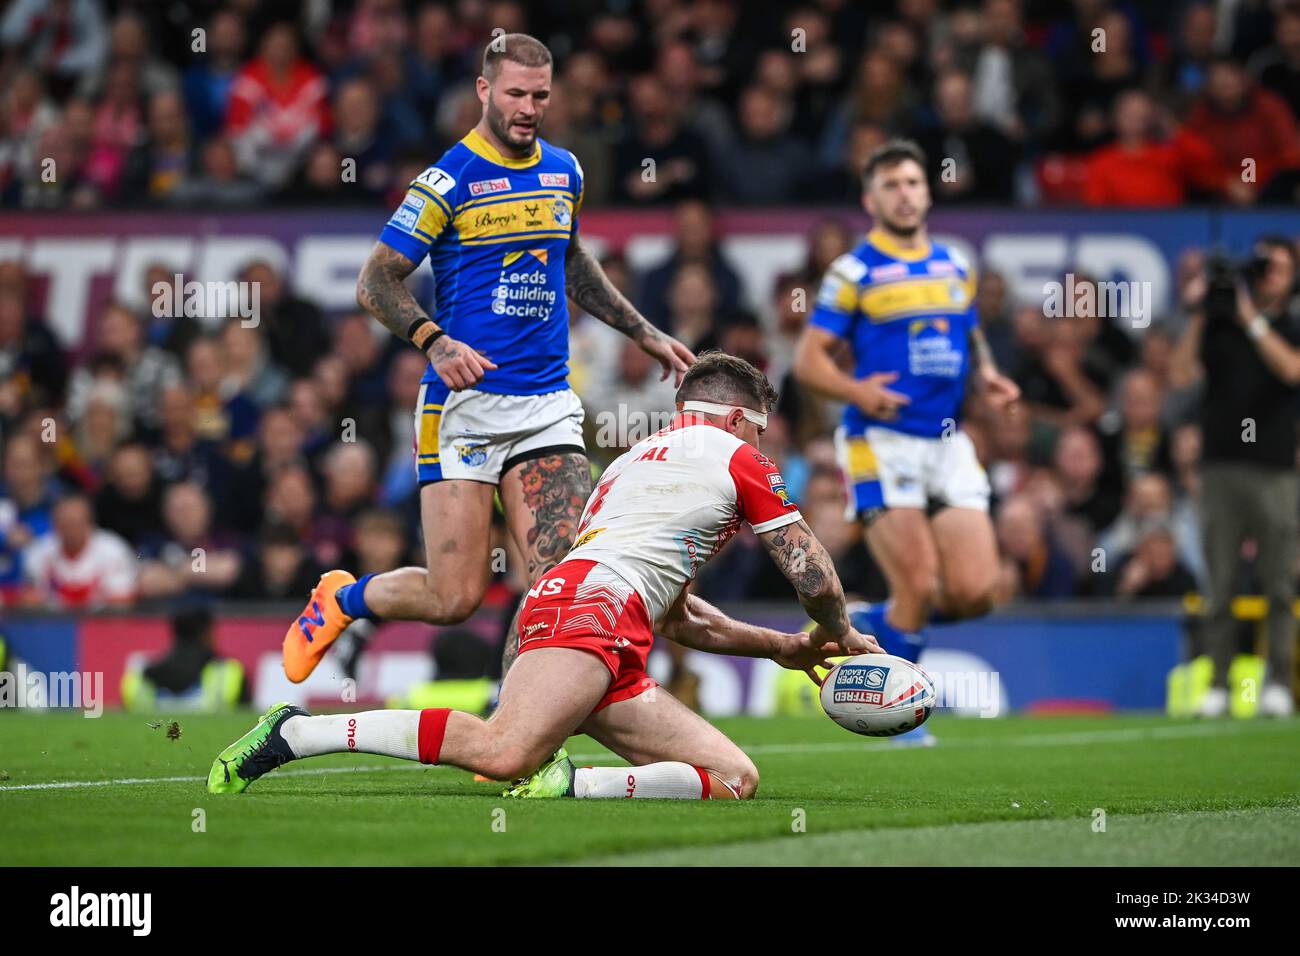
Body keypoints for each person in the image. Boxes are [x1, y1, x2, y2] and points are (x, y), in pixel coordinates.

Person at [209, 354, 879, 799]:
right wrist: (837, 628)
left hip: (597, 614)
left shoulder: (631, 465)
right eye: (757, 433)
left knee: (733, 777)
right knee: (504, 751)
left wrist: (786, 648)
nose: (762, 448)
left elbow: (679, 617)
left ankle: (572, 783)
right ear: (739, 419)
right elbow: (811, 572)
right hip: (591, 612)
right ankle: (296, 731)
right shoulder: (738, 457)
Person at [282, 34, 694, 685]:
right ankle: (343, 600)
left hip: (547, 407)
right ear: (483, 91)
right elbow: (375, 282)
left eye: (540, 95)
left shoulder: (566, 171)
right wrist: (434, 341)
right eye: (515, 94)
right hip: (464, 409)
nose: (528, 107)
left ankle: (516, 719)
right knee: (455, 598)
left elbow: (571, 259)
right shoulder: (448, 180)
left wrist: (641, 332)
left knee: (560, 579)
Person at [792, 139, 1020, 744]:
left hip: (946, 443)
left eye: (913, 183)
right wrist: (859, 391)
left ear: (928, 190)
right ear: (870, 199)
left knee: (977, 592)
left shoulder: (954, 263)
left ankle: (880, 624)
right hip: (879, 441)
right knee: (917, 580)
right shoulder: (854, 271)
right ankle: (903, 716)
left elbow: (971, 335)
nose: (905, 193)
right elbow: (807, 362)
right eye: (891, 185)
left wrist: (989, 374)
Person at [1170, 236, 1300, 718]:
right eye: (1260, 264)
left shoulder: (1289, 323)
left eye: (1277, 267)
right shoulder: (1217, 324)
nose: (1267, 274)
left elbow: (1291, 371)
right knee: (1219, 584)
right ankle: (1219, 683)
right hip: (1220, 467)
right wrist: (1203, 311)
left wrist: (1251, 319)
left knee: (1279, 586)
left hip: (1275, 470)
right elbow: (1181, 375)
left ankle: (1279, 683)